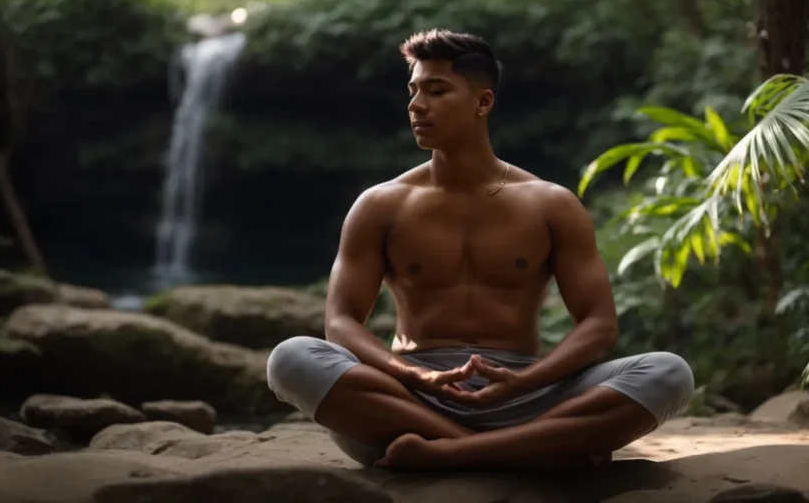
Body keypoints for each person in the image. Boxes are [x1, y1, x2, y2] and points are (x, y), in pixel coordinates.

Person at [265, 29, 694, 470]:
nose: (416, 105)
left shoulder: (550, 203)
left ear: (482, 103)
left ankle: (451, 454)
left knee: (668, 372)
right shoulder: (380, 205)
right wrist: (417, 375)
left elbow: (600, 324)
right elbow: (339, 321)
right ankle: (528, 451)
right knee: (291, 358)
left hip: (527, 395)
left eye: (436, 90)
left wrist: (525, 380)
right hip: (410, 401)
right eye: (413, 91)